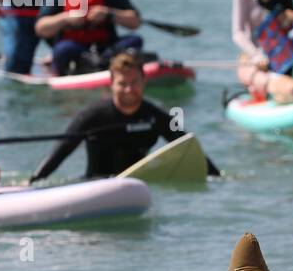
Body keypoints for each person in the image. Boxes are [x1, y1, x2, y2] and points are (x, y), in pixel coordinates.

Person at [30, 52, 219, 182]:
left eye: (134, 82)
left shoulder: (155, 116)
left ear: (144, 82)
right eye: (122, 83)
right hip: (97, 185)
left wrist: (217, 178)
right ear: (111, 84)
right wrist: (34, 181)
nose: (129, 89)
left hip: (135, 186)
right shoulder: (93, 115)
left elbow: (186, 145)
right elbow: (62, 150)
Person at [34, 0, 143, 75]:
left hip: (106, 49)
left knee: (135, 40)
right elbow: (40, 28)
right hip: (75, 49)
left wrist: (109, 14)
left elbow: (136, 21)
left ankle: (108, 66)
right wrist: (65, 18)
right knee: (63, 49)